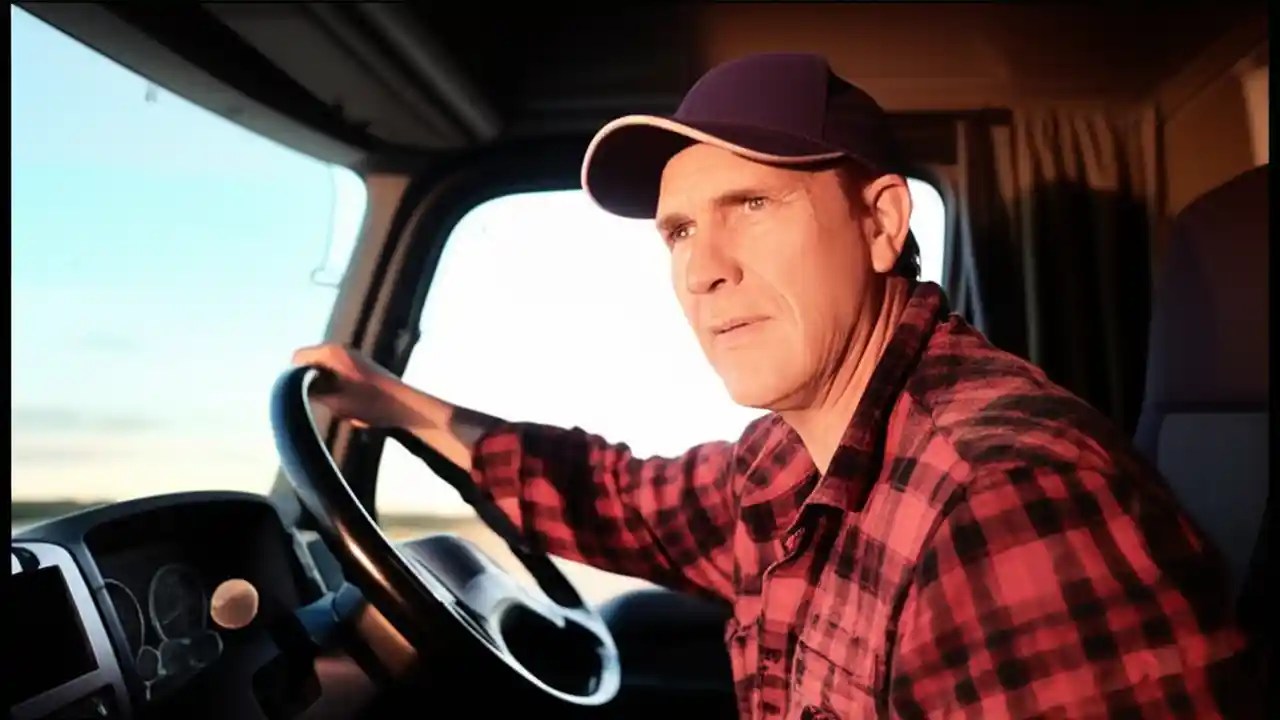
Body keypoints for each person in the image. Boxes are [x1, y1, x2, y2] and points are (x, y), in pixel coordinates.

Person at [294, 53, 1256, 719]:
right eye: (677, 232)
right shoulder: (796, 453)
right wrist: (396, 404)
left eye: (750, 205)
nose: (702, 270)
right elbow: (629, 502)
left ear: (882, 224)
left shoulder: (1005, 503)